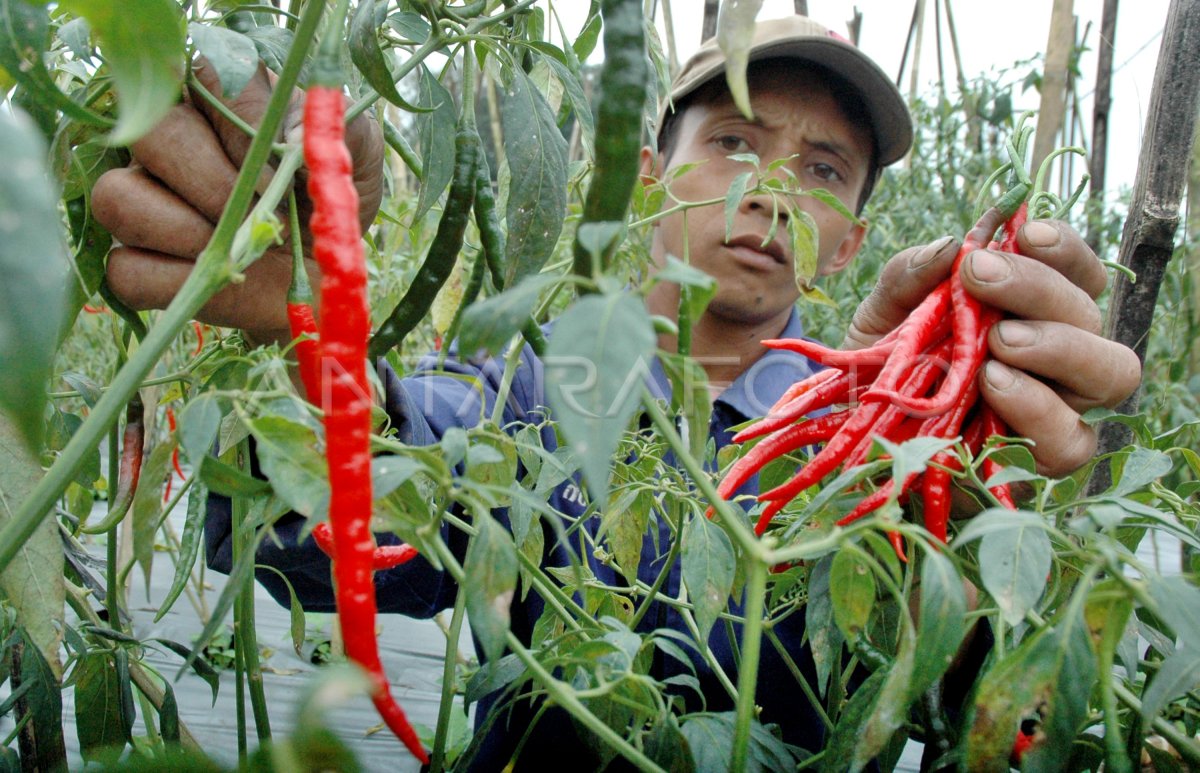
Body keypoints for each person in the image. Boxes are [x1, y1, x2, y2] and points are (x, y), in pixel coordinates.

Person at [92, 13, 1140, 770]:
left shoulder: (883, 444)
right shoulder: (529, 387)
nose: (771, 190)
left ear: (851, 244)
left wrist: (997, 539)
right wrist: (309, 324)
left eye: (824, 170)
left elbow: (979, 712)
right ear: (647, 173)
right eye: (734, 142)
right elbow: (322, 522)